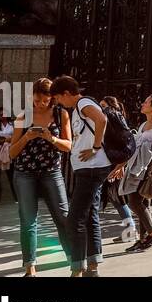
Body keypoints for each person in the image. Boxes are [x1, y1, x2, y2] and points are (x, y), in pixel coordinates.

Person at [9, 79, 72, 277]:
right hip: (24, 173)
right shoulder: (23, 117)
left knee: (63, 217)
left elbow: (68, 145)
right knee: (28, 221)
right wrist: (26, 137)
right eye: (36, 101)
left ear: (52, 97)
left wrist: (50, 138)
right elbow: (11, 153)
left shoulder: (61, 115)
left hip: (51, 172)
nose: (39, 104)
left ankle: (75, 262)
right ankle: (30, 268)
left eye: (44, 101)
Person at [51, 75, 111, 277]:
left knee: (74, 219)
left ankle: (78, 269)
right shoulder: (79, 107)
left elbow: (102, 119)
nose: (59, 103)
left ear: (67, 93)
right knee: (89, 216)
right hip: (89, 168)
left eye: (59, 98)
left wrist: (95, 147)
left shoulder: (83, 103)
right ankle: (92, 267)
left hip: (92, 169)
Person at [116, 94, 152, 253]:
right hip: (139, 165)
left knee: (134, 200)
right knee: (142, 202)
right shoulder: (143, 124)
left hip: (150, 166)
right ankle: (143, 239)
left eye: (146, 102)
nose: (142, 104)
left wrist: (145, 147)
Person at [99, 97, 135, 244]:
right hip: (111, 163)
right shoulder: (112, 121)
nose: (100, 109)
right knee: (115, 199)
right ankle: (130, 231)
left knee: (117, 199)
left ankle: (130, 230)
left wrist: (121, 165)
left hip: (114, 164)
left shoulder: (115, 121)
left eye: (103, 105)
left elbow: (125, 145)